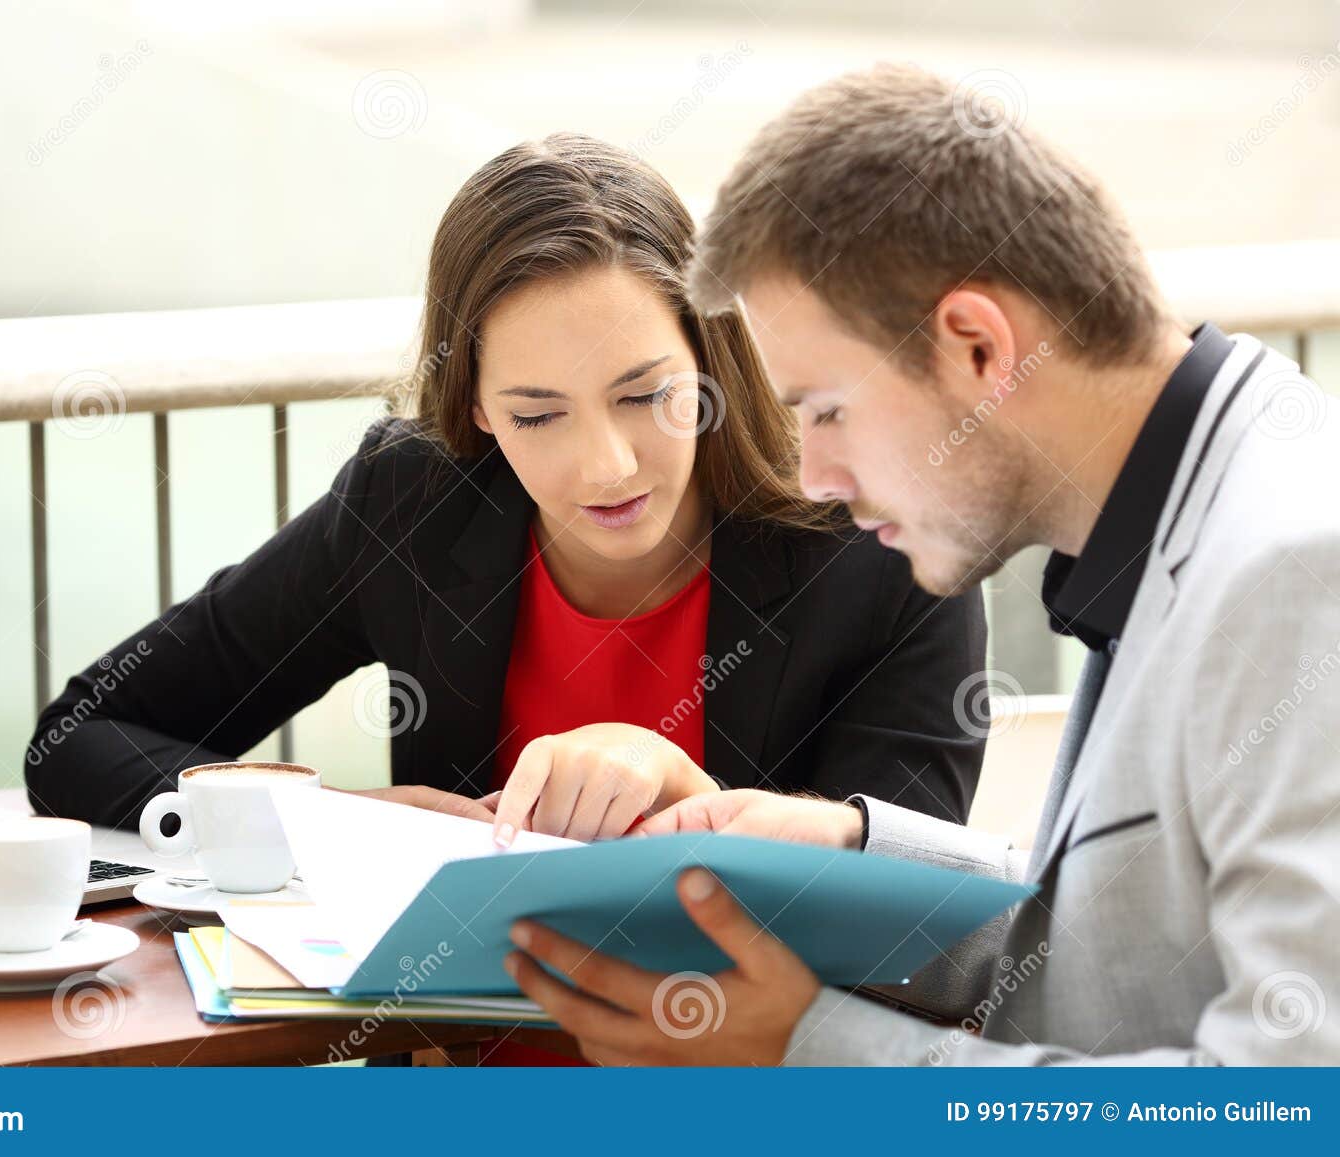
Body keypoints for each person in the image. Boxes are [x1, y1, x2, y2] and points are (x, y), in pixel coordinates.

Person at [505, 66, 1340, 1066]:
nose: (813, 474)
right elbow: (1136, 935)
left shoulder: (1293, 573)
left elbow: (1287, 1106)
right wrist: (847, 861)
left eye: (823, 408)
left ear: (978, 349)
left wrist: (803, 1052)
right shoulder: (1213, 490)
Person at [23, 132, 986, 846]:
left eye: (648, 394)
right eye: (537, 414)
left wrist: (691, 792)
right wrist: (316, 816)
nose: (606, 464)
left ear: (710, 358)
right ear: (475, 407)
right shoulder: (411, 506)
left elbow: (921, 907)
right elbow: (78, 735)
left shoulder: (880, 543)